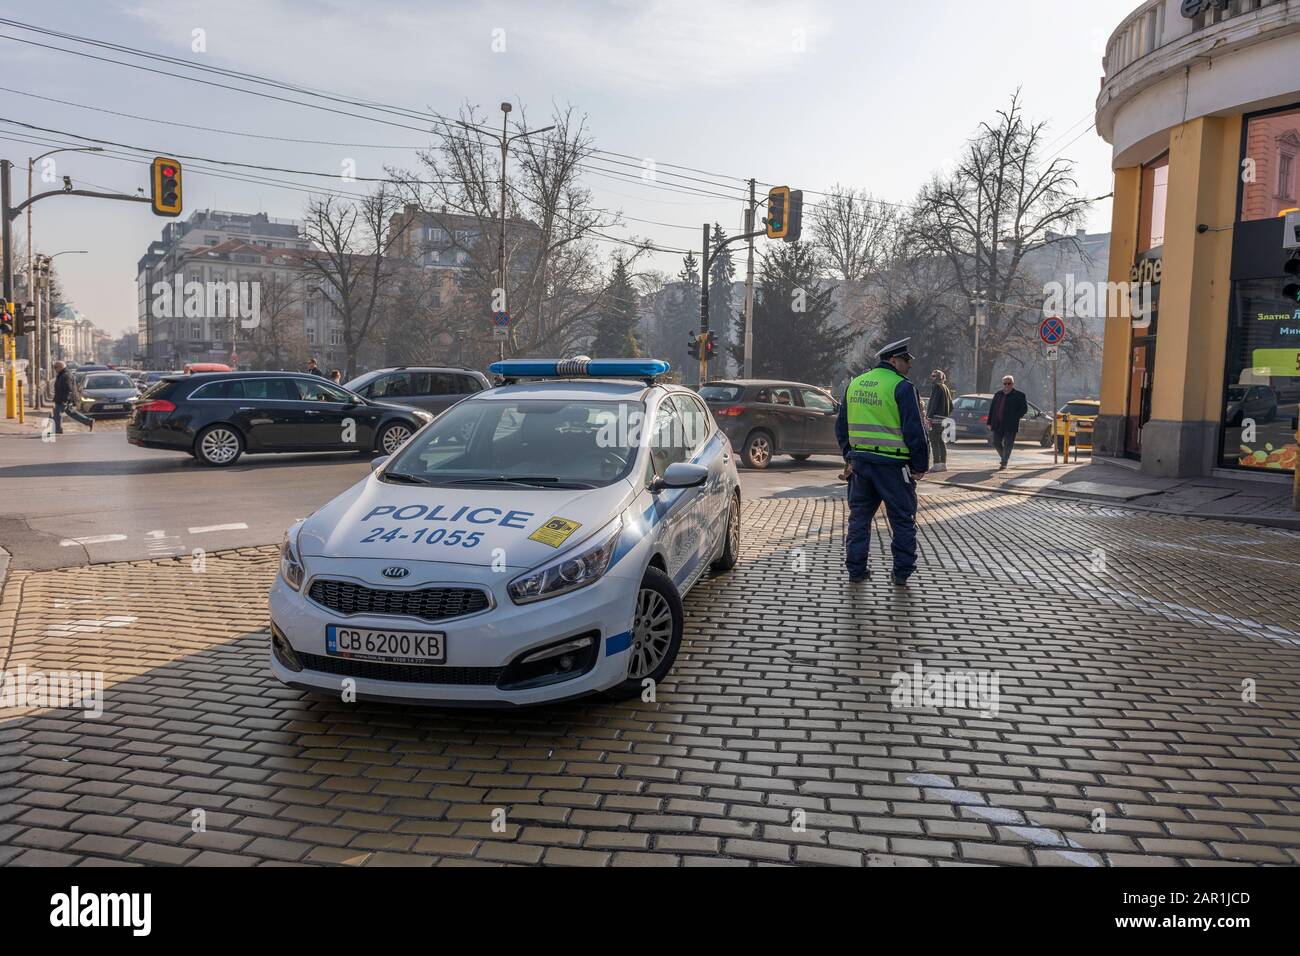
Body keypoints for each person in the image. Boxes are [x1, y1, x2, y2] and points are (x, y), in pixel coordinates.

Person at [836, 338, 929, 586]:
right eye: (907, 360)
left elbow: (841, 426)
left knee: (859, 519)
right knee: (901, 519)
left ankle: (856, 569)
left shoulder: (855, 384)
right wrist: (920, 466)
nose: (910, 365)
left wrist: (849, 455)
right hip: (894, 467)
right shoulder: (902, 387)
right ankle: (901, 572)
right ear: (893, 360)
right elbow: (915, 431)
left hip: (861, 465)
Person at [987, 374, 1028, 471]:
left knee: (1008, 444)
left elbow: (1024, 409)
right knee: (996, 442)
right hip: (997, 423)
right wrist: (989, 422)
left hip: (1011, 424)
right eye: (1005, 383)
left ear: (1013, 384)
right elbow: (992, 409)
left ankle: (1004, 462)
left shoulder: (1019, 395)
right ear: (1003, 384)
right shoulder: (998, 394)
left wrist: (1016, 416)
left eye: (1009, 383)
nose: (1007, 385)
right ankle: (1004, 457)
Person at [51, 361, 94, 434]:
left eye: (55, 367)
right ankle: (88, 421)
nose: (54, 369)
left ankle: (58, 430)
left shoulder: (65, 375)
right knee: (71, 413)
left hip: (63, 399)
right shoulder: (63, 374)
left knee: (57, 413)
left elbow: (69, 389)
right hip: (63, 398)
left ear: (60, 367)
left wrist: (65, 400)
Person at [926, 369, 954, 473]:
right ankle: (943, 464)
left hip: (935, 419)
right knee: (942, 441)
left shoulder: (936, 387)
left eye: (934, 376)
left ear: (939, 377)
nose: (931, 378)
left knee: (934, 441)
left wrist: (929, 417)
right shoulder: (946, 388)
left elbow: (934, 403)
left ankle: (937, 464)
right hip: (944, 419)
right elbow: (951, 406)